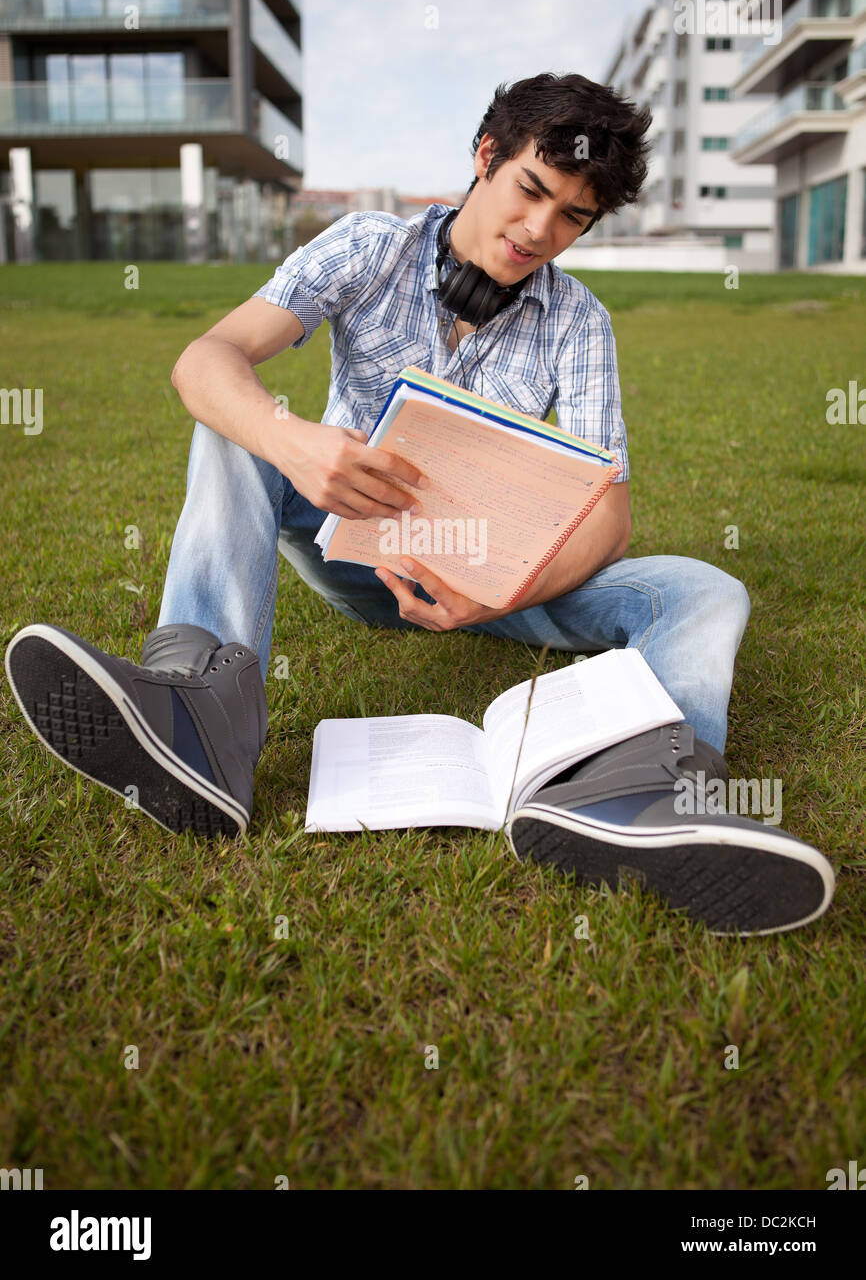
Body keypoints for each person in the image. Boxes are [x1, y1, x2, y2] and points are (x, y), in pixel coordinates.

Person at [5, 72, 834, 934]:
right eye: (531, 191)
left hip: (492, 581)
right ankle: (195, 712)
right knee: (233, 428)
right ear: (486, 156)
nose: (539, 232)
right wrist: (294, 441)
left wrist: (499, 592)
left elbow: (610, 515)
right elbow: (206, 361)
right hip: (346, 546)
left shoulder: (580, 321)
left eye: (573, 219)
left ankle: (635, 793)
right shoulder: (370, 246)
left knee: (707, 591)